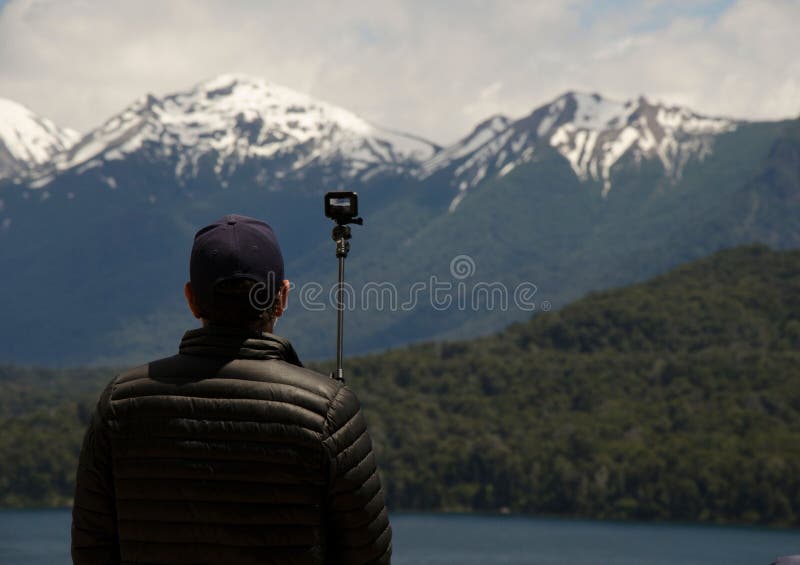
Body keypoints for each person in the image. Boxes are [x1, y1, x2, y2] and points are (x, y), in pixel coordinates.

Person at [71, 214, 392, 564]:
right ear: (282, 298)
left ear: (192, 300)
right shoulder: (329, 410)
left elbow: (91, 550)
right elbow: (369, 556)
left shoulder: (120, 404)